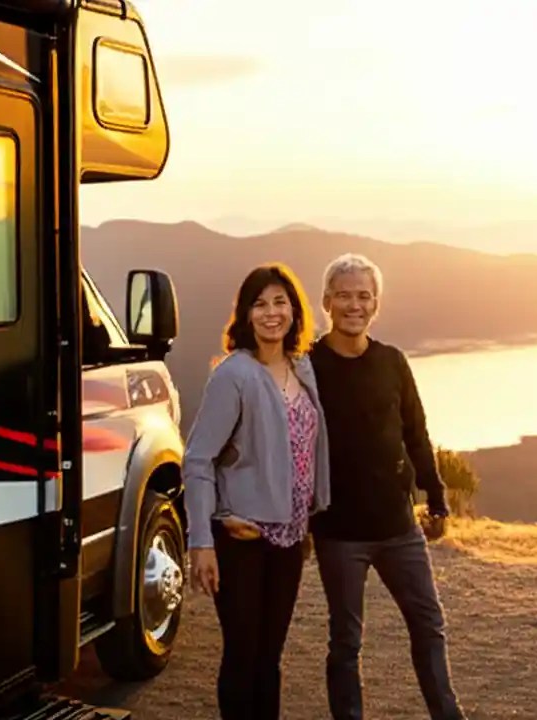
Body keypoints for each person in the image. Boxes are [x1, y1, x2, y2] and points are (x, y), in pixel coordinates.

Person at [308, 253, 467, 720]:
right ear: (327, 302)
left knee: (428, 624)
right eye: (344, 296)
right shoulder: (307, 367)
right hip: (338, 532)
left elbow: (416, 433)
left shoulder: (392, 362)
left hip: (399, 527)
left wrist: (435, 498)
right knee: (346, 640)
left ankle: (447, 714)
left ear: (375, 303)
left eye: (363, 296)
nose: (354, 305)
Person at [182, 262, 331, 720]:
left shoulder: (302, 369)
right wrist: (202, 541)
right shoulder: (235, 375)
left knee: (269, 658)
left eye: (280, 302)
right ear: (246, 315)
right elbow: (198, 458)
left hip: (287, 539)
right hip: (241, 535)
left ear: (294, 310)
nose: (271, 313)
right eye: (259, 304)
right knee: (243, 656)